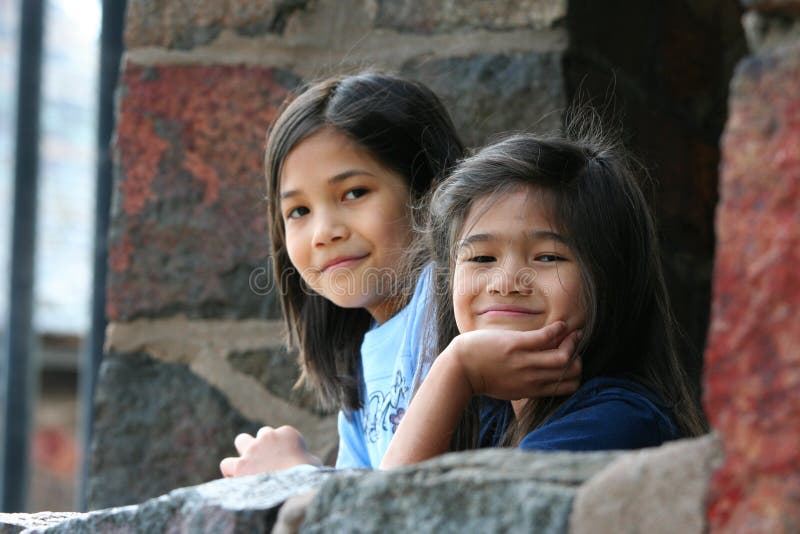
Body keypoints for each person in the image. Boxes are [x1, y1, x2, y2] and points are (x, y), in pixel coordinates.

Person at [219, 72, 580, 476]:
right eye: (299, 211)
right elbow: (358, 513)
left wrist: (295, 477)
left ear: (430, 192)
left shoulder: (462, 304)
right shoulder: (361, 360)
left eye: (354, 193)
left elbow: (396, 501)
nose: (324, 233)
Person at [382, 131, 707, 468]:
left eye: (548, 257)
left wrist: (455, 368)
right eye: (481, 259)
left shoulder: (613, 423)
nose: (506, 282)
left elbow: (380, 515)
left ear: (611, 276)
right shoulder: (496, 419)